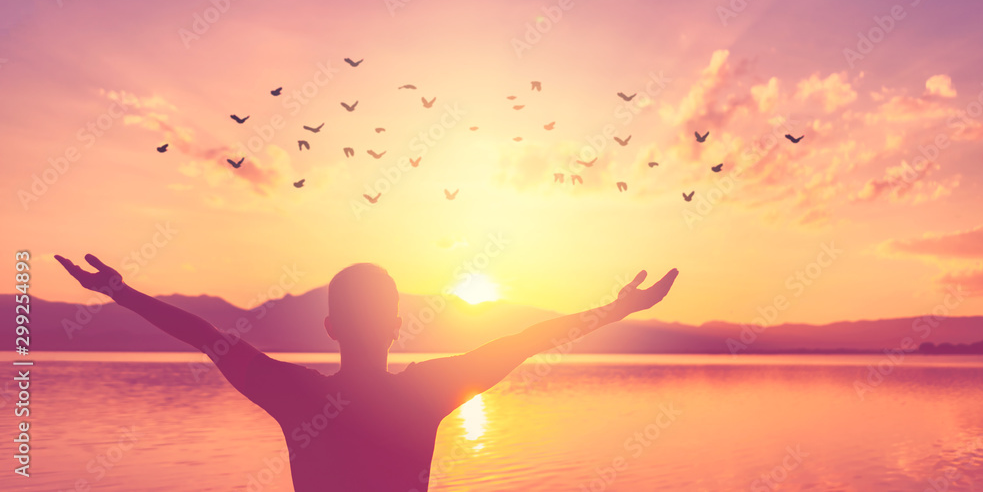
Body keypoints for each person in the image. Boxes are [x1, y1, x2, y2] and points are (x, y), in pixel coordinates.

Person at [56, 253, 679, 491]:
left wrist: (121, 292)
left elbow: (205, 336)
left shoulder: (293, 393)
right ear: (397, 327)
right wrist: (617, 309)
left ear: (329, 328)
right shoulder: (427, 391)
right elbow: (529, 340)